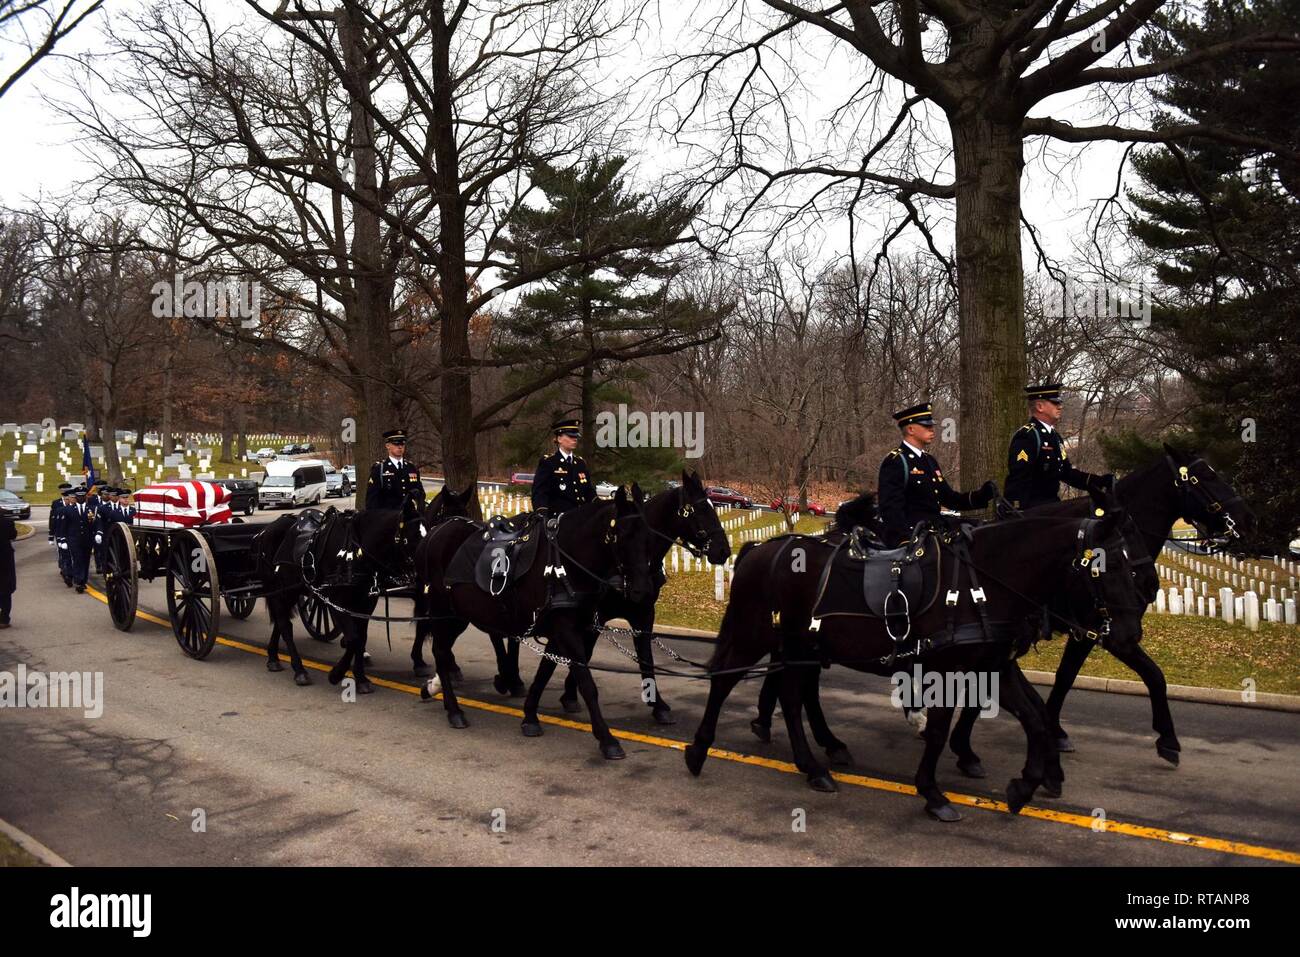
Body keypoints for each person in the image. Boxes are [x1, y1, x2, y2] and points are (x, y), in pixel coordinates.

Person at [877, 402, 997, 546]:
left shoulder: (929, 460)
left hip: (936, 530)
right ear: (910, 429)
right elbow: (890, 509)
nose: (932, 430)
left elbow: (949, 498)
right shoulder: (896, 461)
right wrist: (905, 540)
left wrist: (981, 495)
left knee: (983, 533)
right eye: (927, 426)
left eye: (932, 426)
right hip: (915, 536)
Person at [1004, 383, 1112, 510]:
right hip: (1032, 512)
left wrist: (1099, 482)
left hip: (1053, 506)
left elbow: (1066, 473)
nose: (1060, 407)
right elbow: (1019, 478)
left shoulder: (1055, 437)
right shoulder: (1027, 436)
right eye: (1055, 403)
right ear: (1040, 406)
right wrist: (1016, 511)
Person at [531, 418, 596, 515]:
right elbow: (540, 492)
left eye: (576, 437)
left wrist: (599, 503)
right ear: (559, 439)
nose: (574, 439)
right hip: (558, 519)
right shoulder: (549, 462)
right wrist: (542, 512)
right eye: (570, 436)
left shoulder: (580, 463)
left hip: (581, 518)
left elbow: (588, 491)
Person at [364, 429, 426, 511]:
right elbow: (371, 502)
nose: (400, 447)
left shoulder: (411, 468)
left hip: (410, 517)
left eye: (402, 444)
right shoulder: (379, 470)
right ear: (387, 446)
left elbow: (421, 495)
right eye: (396, 444)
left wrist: (418, 496)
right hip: (388, 518)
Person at [64, 486, 95, 593]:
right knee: (77, 560)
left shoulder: (91, 509)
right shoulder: (68, 510)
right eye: (79, 496)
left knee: (86, 560)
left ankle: (84, 580)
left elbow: (94, 525)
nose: (81, 498)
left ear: (85, 497)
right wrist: (63, 539)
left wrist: (96, 535)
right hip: (74, 540)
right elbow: (65, 526)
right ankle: (78, 581)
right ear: (76, 497)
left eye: (83, 496)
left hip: (87, 539)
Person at [49, 482, 73, 586]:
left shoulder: (73, 503)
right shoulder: (56, 503)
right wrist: (51, 534)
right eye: (64, 490)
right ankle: (65, 570)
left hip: (71, 532)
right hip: (59, 531)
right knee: (62, 552)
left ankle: (68, 571)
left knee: (70, 553)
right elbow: (53, 519)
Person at [0, 511, 15, 628]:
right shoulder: (8, 522)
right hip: (5, 557)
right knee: (5, 588)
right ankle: (4, 618)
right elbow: (13, 535)